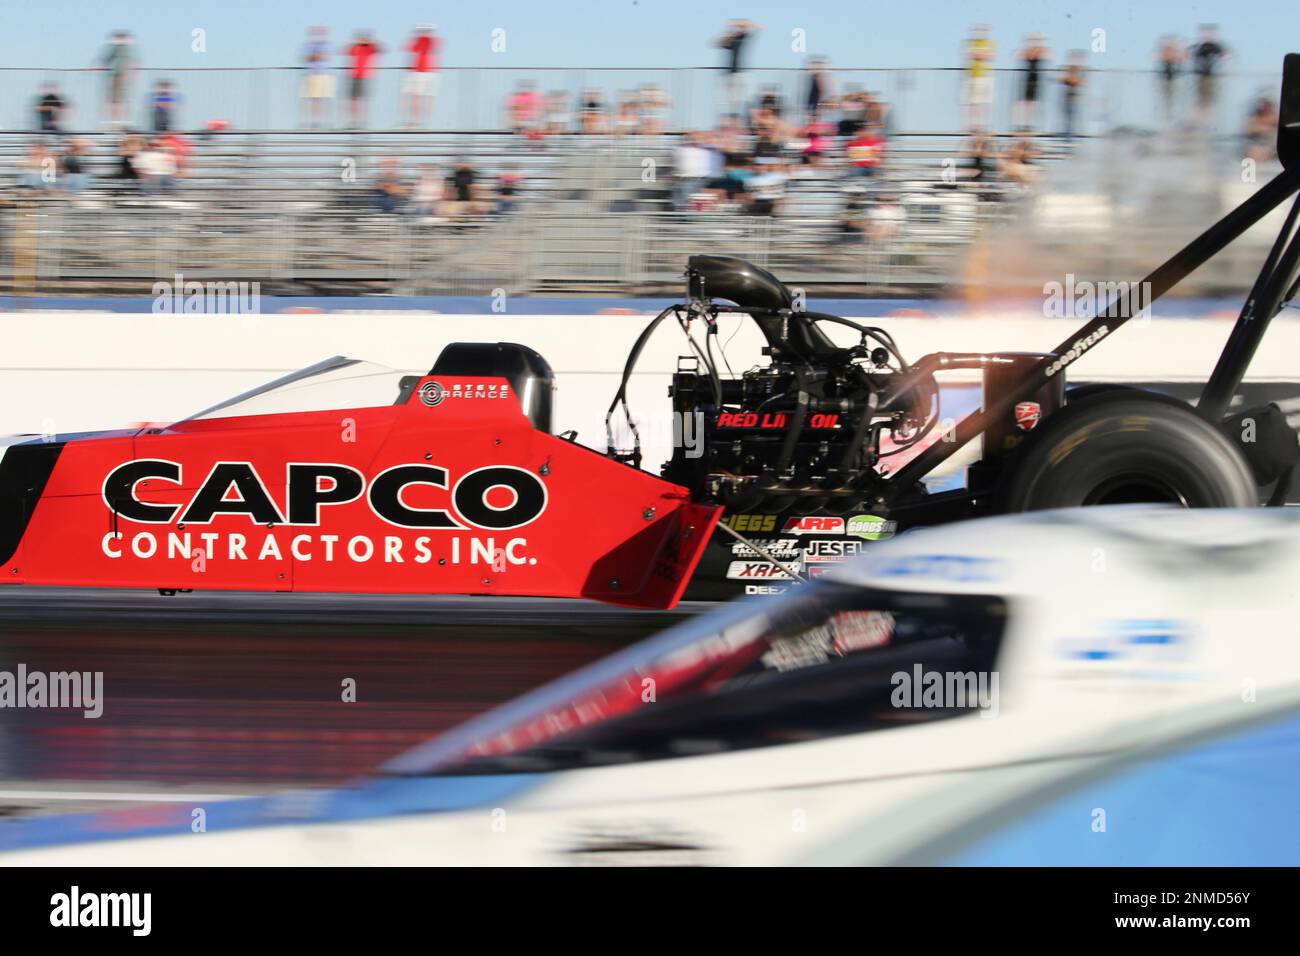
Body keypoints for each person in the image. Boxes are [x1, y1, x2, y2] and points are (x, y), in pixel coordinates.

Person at [716, 19, 758, 118]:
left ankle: (749, 117)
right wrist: (730, 33)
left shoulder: (744, 37)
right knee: (732, 100)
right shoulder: (731, 40)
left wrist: (737, 23)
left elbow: (756, 27)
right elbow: (719, 43)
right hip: (731, 73)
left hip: (743, 73)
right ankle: (734, 118)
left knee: (748, 98)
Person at [403, 25, 442, 128]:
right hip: (419, 71)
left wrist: (422, 36)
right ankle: (417, 120)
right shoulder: (420, 40)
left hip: (425, 72)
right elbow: (409, 47)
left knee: (421, 97)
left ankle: (422, 121)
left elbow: (433, 45)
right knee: (416, 97)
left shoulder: (429, 40)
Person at [1189, 25, 1228, 125]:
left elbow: (1224, 54)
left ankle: (1206, 120)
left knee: (1209, 99)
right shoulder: (1200, 46)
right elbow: (1190, 54)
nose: (1207, 35)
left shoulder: (1215, 46)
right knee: (1201, 99)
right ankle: (1200, 120)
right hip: (1201, 77)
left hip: (1210, 77)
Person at [345, 30, 384, 128]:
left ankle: (364, 121)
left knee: (364, 100)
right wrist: (356, 42)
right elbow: (347, 50)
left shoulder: (370, 48)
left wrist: (370, 41)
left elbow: (381, 49)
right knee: (354, 100)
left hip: (366, 77)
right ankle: (353, 121)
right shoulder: (356, 47)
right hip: (355, 76)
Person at [98, 30, 137, 126]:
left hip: (122, 76)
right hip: (115, 76)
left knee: (121, 99)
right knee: (113, 99)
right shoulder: (114, 48)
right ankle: (114, 120)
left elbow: (133, 63)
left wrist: (130, 75)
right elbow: (106, 60)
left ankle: (120, 120)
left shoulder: (128, 49)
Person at [962, 25, 996, 130]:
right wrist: (981, 55)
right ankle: (973, 124)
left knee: (982, 102)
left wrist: (978, 54)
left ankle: (982, 124)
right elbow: (970, 55)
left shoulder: (990, 43)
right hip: (972, 76)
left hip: (985, 76)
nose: (980, 33)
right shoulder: (970, 43)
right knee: (972, 102)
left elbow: (990, 56)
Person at [300, 27, 335, 128]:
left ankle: (327, 121)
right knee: (313, 99)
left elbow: (326, 56)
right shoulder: (308, 45)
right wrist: (316, 56)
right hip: (312, 74)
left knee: (325, 98)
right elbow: (306, 58)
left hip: (324, 74)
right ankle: (314, 121)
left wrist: (316, 56)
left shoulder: (328, 45)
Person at [1015, 34, 1050, 130]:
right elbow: (1024, 55)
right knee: (1022, 102)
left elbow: (1046, 54)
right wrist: (1031, 50)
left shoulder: (1040, 50)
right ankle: (1020, 123)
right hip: (1027, 79)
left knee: (1031, 103)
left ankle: (1027, 123)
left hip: (1035, 79)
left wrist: (1037, 49)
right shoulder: (1029, 51)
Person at [1155, 35, 1184, 123]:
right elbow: (1157, 57)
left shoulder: (1175, 54)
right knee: (1166, 101)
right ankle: (1167, 118)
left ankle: (1173, 118)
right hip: (1165, 80)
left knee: (1174, 101)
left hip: (1175, 80)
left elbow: (1181, 59)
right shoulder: (1165, 53)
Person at [1060, 51, 1086, 141]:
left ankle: (1072, 140)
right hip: (1067, 99)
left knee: (1076, 122)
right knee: (1067, 122)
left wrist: (1072, 79)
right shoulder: (1068, 69)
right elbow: (1064, 79)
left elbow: (1078, 82)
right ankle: (1068, 140)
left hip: (1076, 100)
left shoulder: (1081, 71)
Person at [1245, 94, 1279, 163]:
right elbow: (1249, 130)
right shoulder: (1254, 120)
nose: (1265, 108)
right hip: (1257, 149)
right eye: (1263, 106)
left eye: (1267, 106)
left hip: (1268, 151)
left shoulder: (1274, 118)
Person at [804, 57, 833, 123]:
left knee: (814, 110)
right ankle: (813, 118)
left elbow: (821, 90)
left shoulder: (817, 78)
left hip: (815, 101)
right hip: (814, 100)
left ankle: (814, 117)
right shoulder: (814, 77)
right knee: (813, 110)